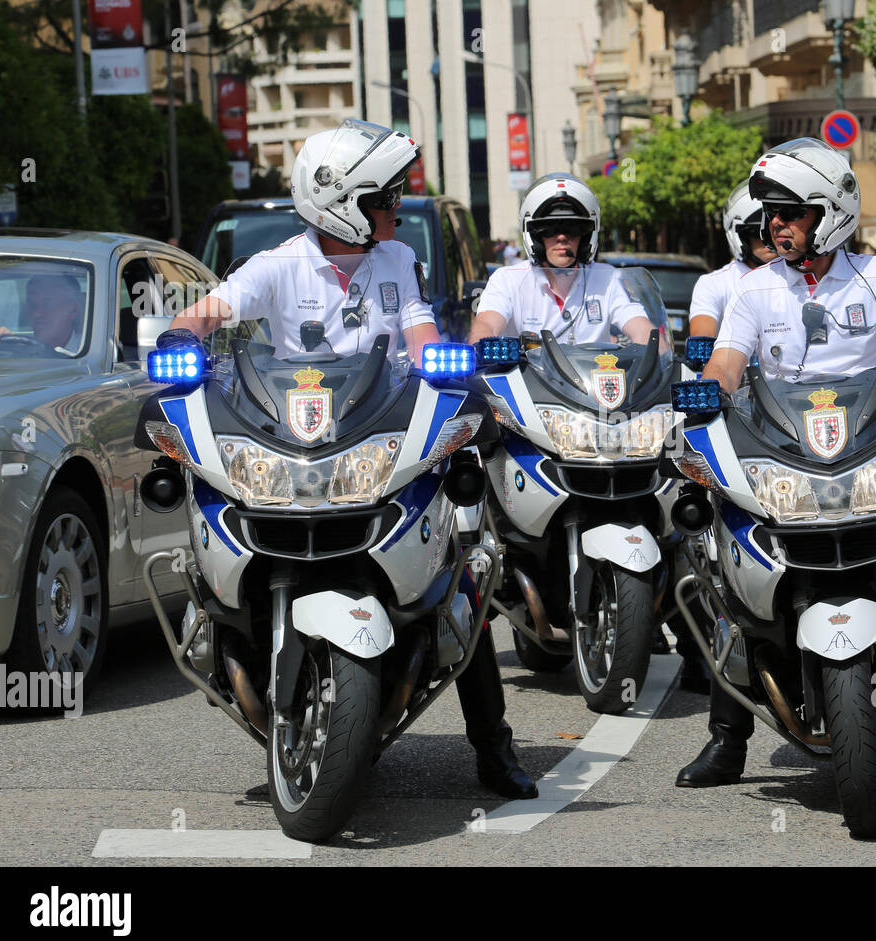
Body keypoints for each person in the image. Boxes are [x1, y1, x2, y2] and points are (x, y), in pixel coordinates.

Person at [159, 119, 538, 800]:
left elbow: (420, 331)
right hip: (292, 448)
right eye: (383, 195)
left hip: (376, 442)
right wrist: (181, 335)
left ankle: (494, 747)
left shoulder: (395, 261)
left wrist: (441, 366)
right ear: (344, 202)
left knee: (461, 576)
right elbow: (210, 314)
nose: (395, 205)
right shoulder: (275, 266)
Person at [678, 138, 876, 788]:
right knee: (729, 572)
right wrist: (707, 391)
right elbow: (727, 361)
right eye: (771, 213)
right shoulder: (753, 289)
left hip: (868, 444)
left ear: (829, 214)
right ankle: (728, 739)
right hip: (782, 448)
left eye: (791, 212)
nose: (775, 223)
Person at [468, 173, 653, 346]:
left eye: (573, 228)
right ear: (535, 235)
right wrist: (479, 347)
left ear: (587, 235)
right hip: (524, 380)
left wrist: (659, 353)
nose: (562, 237)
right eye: (550, 229)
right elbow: (487, 324)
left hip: (595, 378)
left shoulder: (608, 278)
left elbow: (642, 328)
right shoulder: (507, 279)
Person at [687, 180, 781, 339]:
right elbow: (702, 337)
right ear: (739, 235)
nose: (768, 239)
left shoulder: (798, 277)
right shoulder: (714, 284)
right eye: (757, 232)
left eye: (777, 231)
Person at [0, 274, 83, 349]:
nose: (36, 313)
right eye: (32, 304)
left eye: (48, 304)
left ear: (73, 310)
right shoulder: (17, 348)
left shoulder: (93, 354)